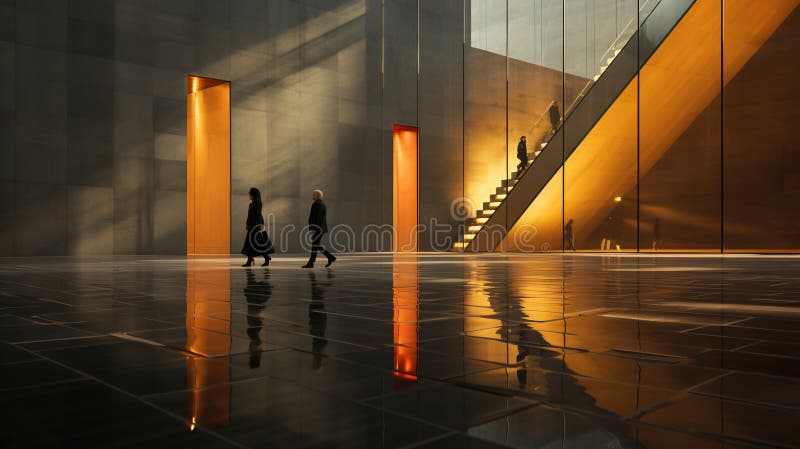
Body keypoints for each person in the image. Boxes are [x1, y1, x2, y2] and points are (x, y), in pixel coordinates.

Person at [302, 189, 336, 268]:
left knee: (315, 245)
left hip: (317, 228)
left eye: (313, 194)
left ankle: (329, 257)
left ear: (317, 196)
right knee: (315, 245)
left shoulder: (316, 204)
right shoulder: (322, 204)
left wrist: (313, 228)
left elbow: (316, 217)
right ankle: (314, 262)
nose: (312, 196)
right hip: (320, 228)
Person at [241, 187, 274, 267]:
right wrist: (247, 224)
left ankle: (254, 260)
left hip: (256, 226)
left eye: (250, 194)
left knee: (254, 244)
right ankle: (255, 259)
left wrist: (261, 225)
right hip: (251, 226)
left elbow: (259, 215)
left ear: (253, 195)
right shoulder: (251, 204)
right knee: (252, 244)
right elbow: (250, 216)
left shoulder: (257, 203)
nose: (249, 195)